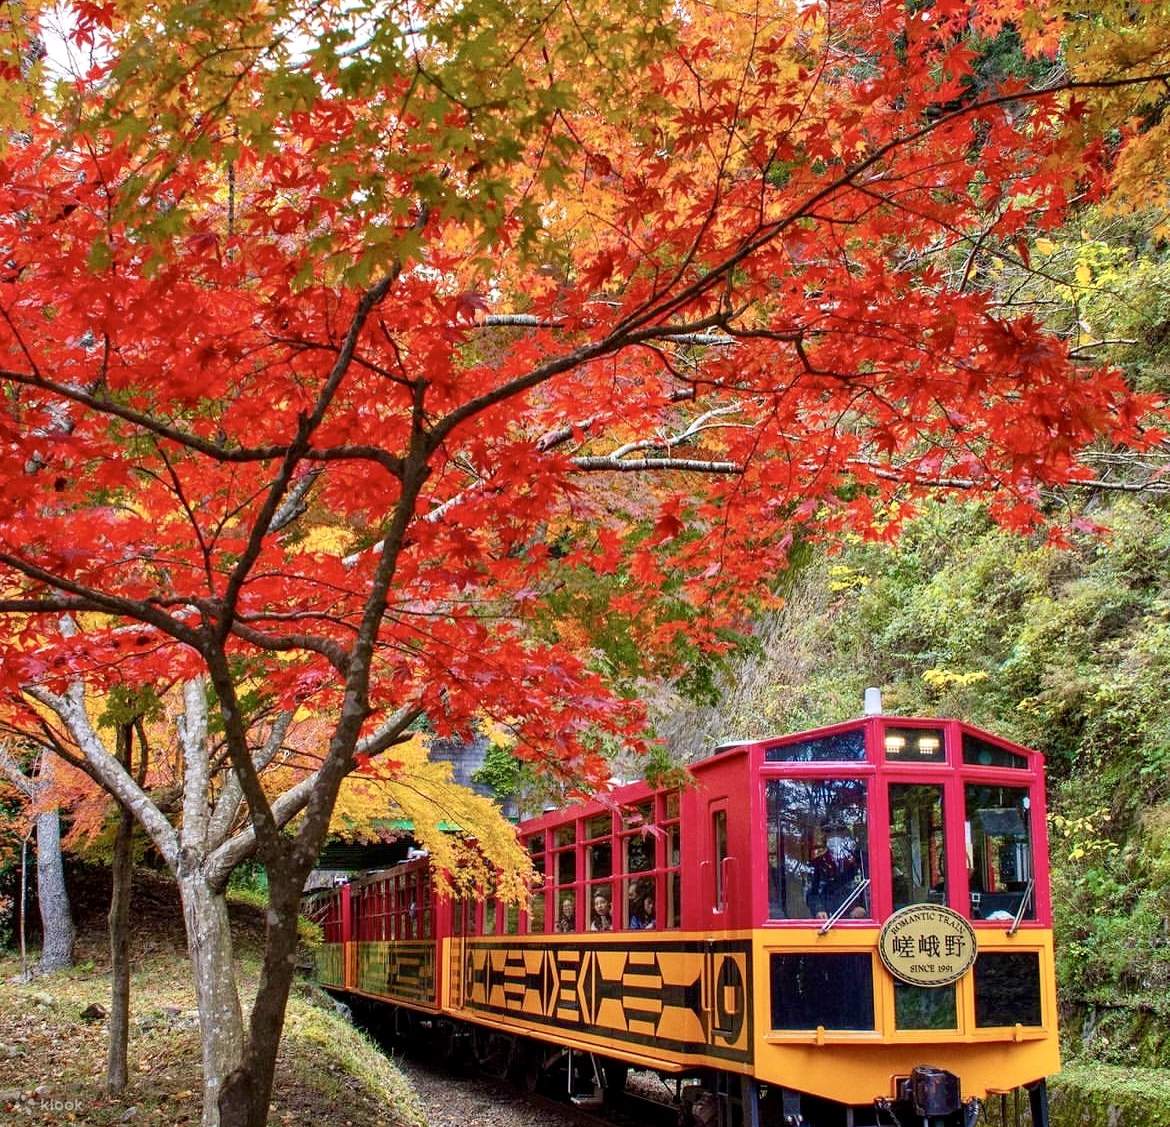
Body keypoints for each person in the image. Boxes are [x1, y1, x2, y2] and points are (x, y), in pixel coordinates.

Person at [808, 819, 867, 919]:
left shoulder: (860, 859)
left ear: (845, 834)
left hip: (857, 922)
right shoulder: (818, 863)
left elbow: (872, 888)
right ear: (824, 836)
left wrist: (862, 907)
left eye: (839, 830)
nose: (834, 835)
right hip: (829, 921)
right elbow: (812, 893)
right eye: (829, 831)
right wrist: (819, 909)